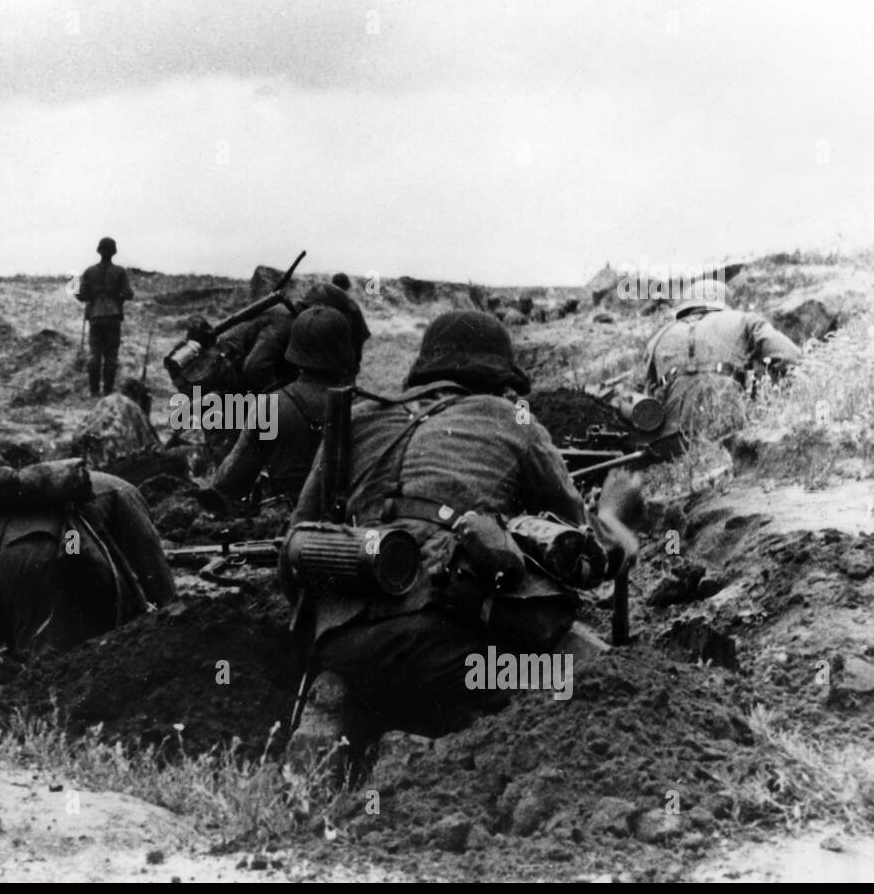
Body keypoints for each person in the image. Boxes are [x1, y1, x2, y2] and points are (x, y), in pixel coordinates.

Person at [286, 312, 637, 768]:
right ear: (496, 375)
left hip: (345, 645)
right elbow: (591, 558)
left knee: (395, 670)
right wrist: (613, 511)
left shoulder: (354, 419)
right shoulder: (513, 419)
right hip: (455, 654)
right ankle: (468, 741)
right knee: (594, 678)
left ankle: (342, 700)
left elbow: (295, 542)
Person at [0, 464, 176, 657]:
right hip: (37, 558)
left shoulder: (16, 496)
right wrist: (172, 613)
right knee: (51, 674)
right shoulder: (123, 490)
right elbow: (152, 569)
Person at [206, 307, 356, 509]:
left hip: (287, 521)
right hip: (350, 519)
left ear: (294, 351)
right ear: (345, 350)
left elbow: (231, 482)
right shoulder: (363, 406)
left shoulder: (270, 405)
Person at [642, 283, 800, 447]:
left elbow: (645, 395)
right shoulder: (744, 319)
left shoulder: (658, 337)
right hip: (727, 426)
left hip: (671, 438)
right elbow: (790, 356)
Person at [217, 281, 370, 392]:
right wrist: (287, 400)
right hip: (223, 379)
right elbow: (255, 368)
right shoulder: (287, 324)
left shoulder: (294, 320)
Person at [77, 237, 133, 397]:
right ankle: (108, 391)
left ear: (99, 251)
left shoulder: (89, 272)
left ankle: (94, 390)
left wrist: (72, 286)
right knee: (111, 356)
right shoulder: (120, 272)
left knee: (94, 354)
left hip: (95, 316)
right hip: (113, 316)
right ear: (114, 252)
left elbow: (82, 296)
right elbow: (129, 294)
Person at [71, 377, 161, 472]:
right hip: (113, 463)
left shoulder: (105, 401)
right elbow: (154, 446)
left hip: (86, 458)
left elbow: (78, 434)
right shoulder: (134, 408)